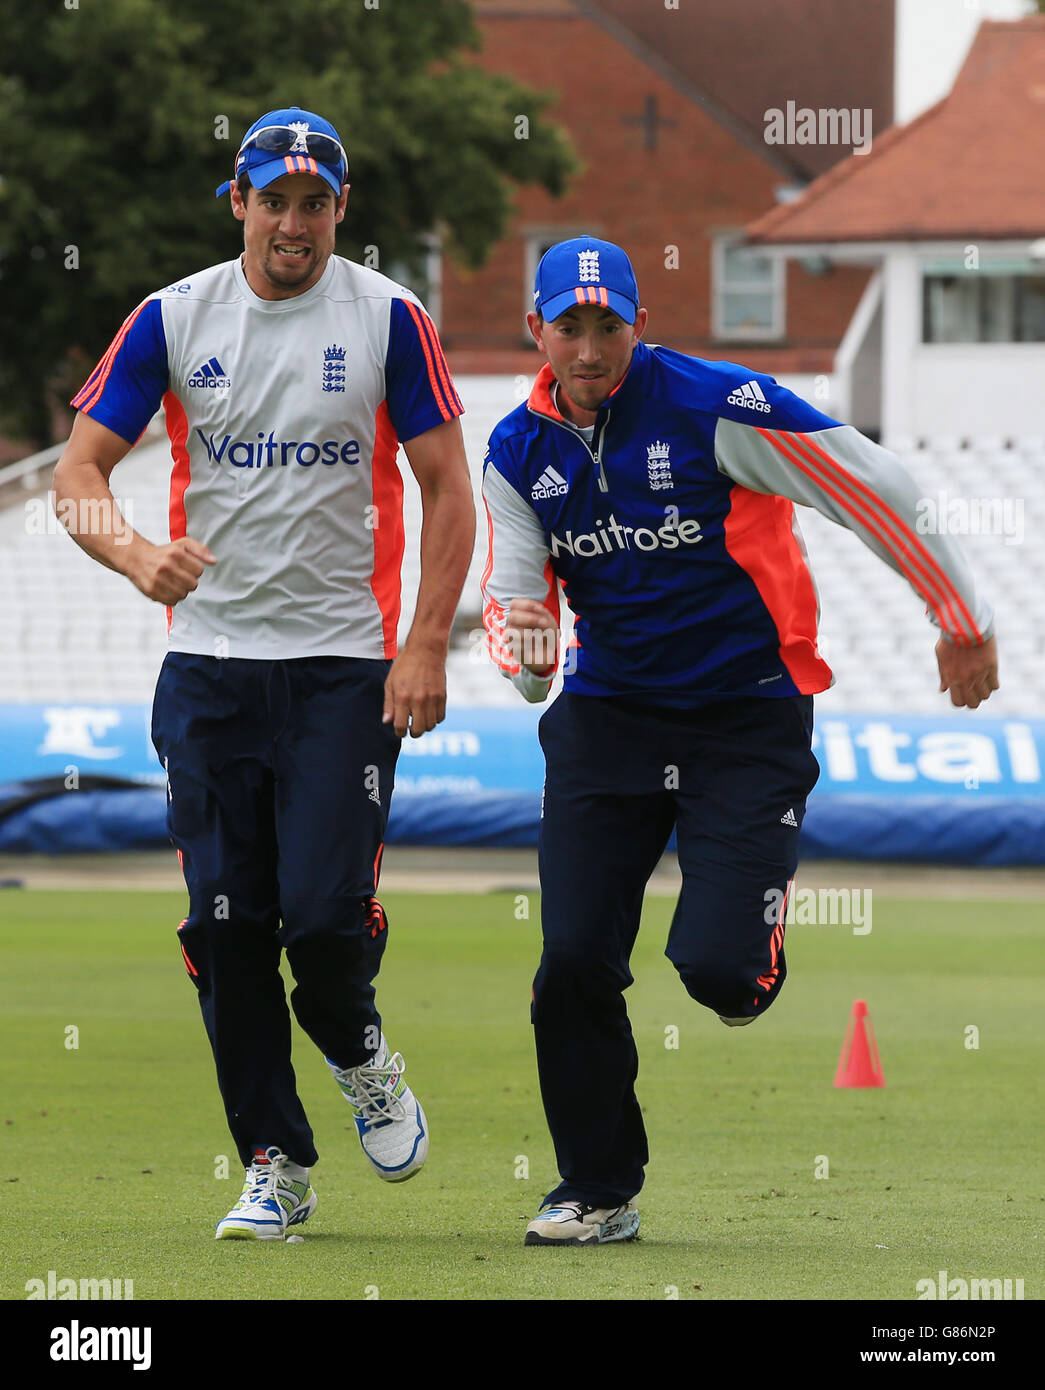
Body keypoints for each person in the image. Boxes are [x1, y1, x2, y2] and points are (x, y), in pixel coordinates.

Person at [480, 236, 998, 1246]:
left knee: (718, 974)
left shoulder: (716, 406)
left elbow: (871, 482)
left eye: (608, 326)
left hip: (746, 714)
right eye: (568, 327)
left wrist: (959, 618)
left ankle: (747, 956)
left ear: (640, 326)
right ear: (536, 330)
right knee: (571, 962)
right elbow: (513, 598)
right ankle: (595, 1186)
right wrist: (529, 656)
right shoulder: (513, 450)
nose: (589, 349)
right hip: (607, 719)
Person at [53, 107, 475, 1240]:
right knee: (226, 928)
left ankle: (361, 1052)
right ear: (237, 201)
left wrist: (426, 639)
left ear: (343, 209)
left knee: (326, 923)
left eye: (316, 202)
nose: (295, 222)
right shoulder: (174, 316)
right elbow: (81, 471)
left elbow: (448, 485)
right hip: (211, 673)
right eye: (274, 199)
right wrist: (138, 552)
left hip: (345, 669)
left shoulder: (392, 318)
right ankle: (276, 1164)